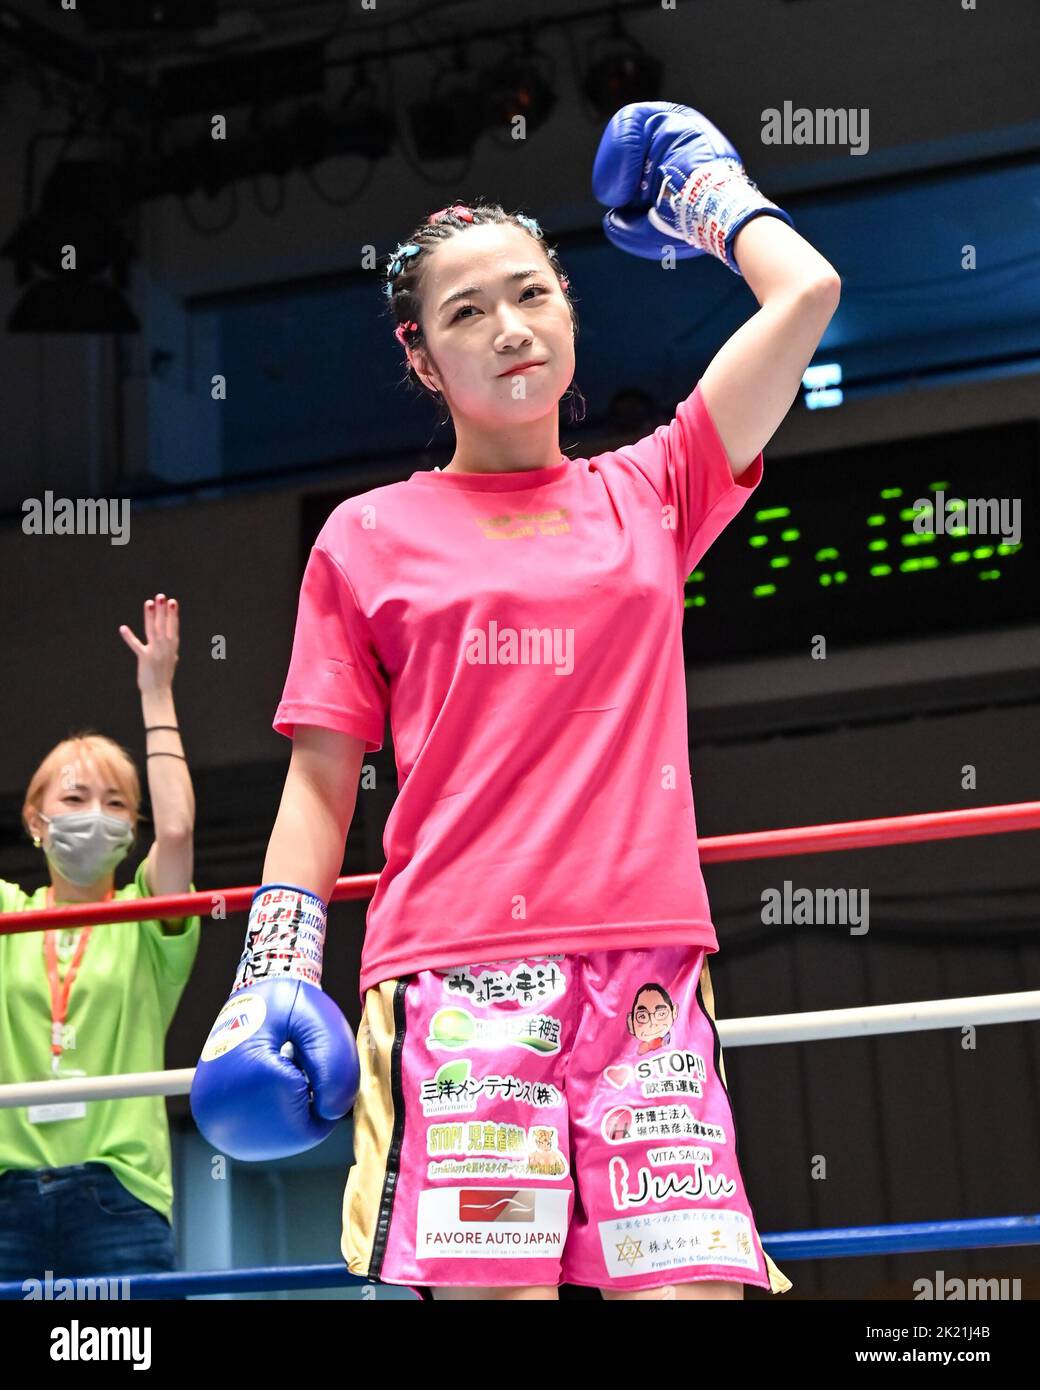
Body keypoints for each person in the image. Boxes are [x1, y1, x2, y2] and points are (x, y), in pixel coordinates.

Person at [192, 102, 841, 1301]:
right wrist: (269, 968)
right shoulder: (366, 537)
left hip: (645, 970)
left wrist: (701, 192)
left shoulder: (652, 485)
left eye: (533, 292)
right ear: (421, 358)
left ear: (569, 309)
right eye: (465, 312)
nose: (509, 329)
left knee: (696, 1291)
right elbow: (322, 778)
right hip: (458, 972)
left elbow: (803, 295)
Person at [0, 594, 201, 1288]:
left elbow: (175, 832)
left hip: (120, 1198)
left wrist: (158, 692)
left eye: (116, 803)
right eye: (76, 799)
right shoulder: (6, 915)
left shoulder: (145, 917)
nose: (96, 817)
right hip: (6, 1198)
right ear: (35, 820)